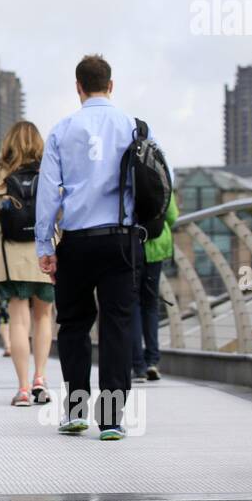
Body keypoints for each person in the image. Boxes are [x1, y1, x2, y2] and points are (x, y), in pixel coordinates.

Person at [36, 55, 152, 440]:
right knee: (117, 325)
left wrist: (44, 245)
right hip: (122, 239)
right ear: (111, 85)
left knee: (73, 324)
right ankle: (112, 418)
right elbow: (154, 182)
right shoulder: (136, 128)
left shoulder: (62, 130)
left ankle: (74, 410)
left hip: (77, 242)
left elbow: (48, 194)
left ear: (78, 87)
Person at [0, 122, 56, 407]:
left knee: (18, 320)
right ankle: (40, 378)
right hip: (45, 252)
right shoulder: (49, 170)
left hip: (11, 254)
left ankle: (23, 388)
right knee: (43, 317)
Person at [131, 192, 178, 381]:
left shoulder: (125, 171)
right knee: (150, 306)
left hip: (131, 247)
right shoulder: (159, 173)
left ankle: (138, 366)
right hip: (156, 247)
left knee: (132, 305)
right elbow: (172, 215)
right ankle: (152, 361)